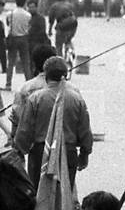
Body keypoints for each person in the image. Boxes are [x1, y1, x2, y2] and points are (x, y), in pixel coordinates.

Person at [13, 56, 92, 193]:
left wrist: (19, 151)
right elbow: (85, 129)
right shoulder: (76, 99)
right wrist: (85, 153)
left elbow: (25, 129)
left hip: (41, 152)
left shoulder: (35, 98)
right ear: (66, 75)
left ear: (45, 74)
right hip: (68, 151)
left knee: (39, 193)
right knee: (64, 194)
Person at [3, 0, 31, 91]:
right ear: (24, 3)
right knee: (26, 62)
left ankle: (8, 84)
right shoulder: (28, 15)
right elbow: (29, 27)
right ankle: (28, 84)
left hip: (13, 39)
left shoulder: (10, 14)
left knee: (10, 62)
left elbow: (8, 24)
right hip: (24, 39)